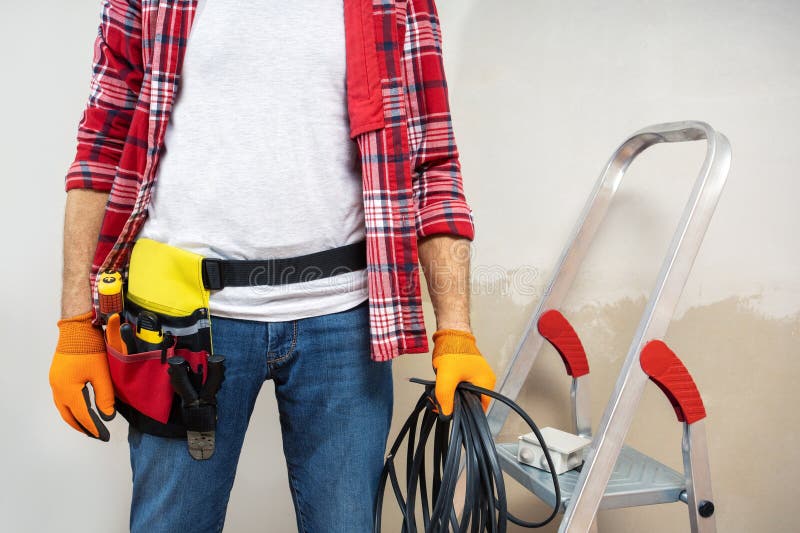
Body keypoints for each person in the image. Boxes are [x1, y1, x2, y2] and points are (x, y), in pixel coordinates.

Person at [48, 0, 496, 531]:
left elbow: (433, 162)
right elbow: (102, 146)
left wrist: (456, 331)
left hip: (343, 321)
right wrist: (78, 325)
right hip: (186, 322)